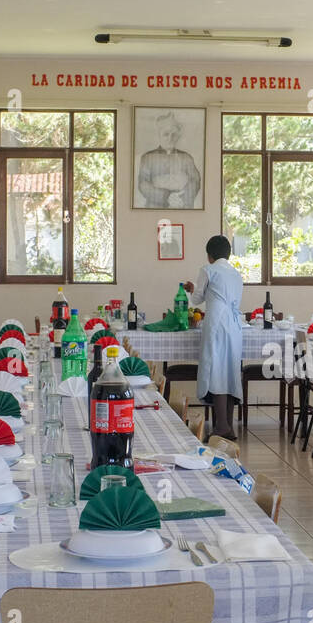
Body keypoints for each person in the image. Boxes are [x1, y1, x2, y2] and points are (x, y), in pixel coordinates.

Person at [184, 235, 243, 439]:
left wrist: (192, 289)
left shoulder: (208, 270)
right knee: (230, 371)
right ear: (228, 253)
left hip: (216, 322)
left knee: (217, 370)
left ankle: (221, 427)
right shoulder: (236, 273)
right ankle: (228, 426)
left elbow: (198, 298)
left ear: (209, 255)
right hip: (234, 324)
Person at [137, 111, 201, 209]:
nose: (170, 138)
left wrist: (182, 198)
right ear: (159, 135)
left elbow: (195, 181)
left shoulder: (186, 158)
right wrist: (167, 197)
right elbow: (143, 184)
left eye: (174, 134)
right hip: (155, 207)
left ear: (178, 137)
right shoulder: (148, 158)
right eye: (166, 134)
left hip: (182, 206)